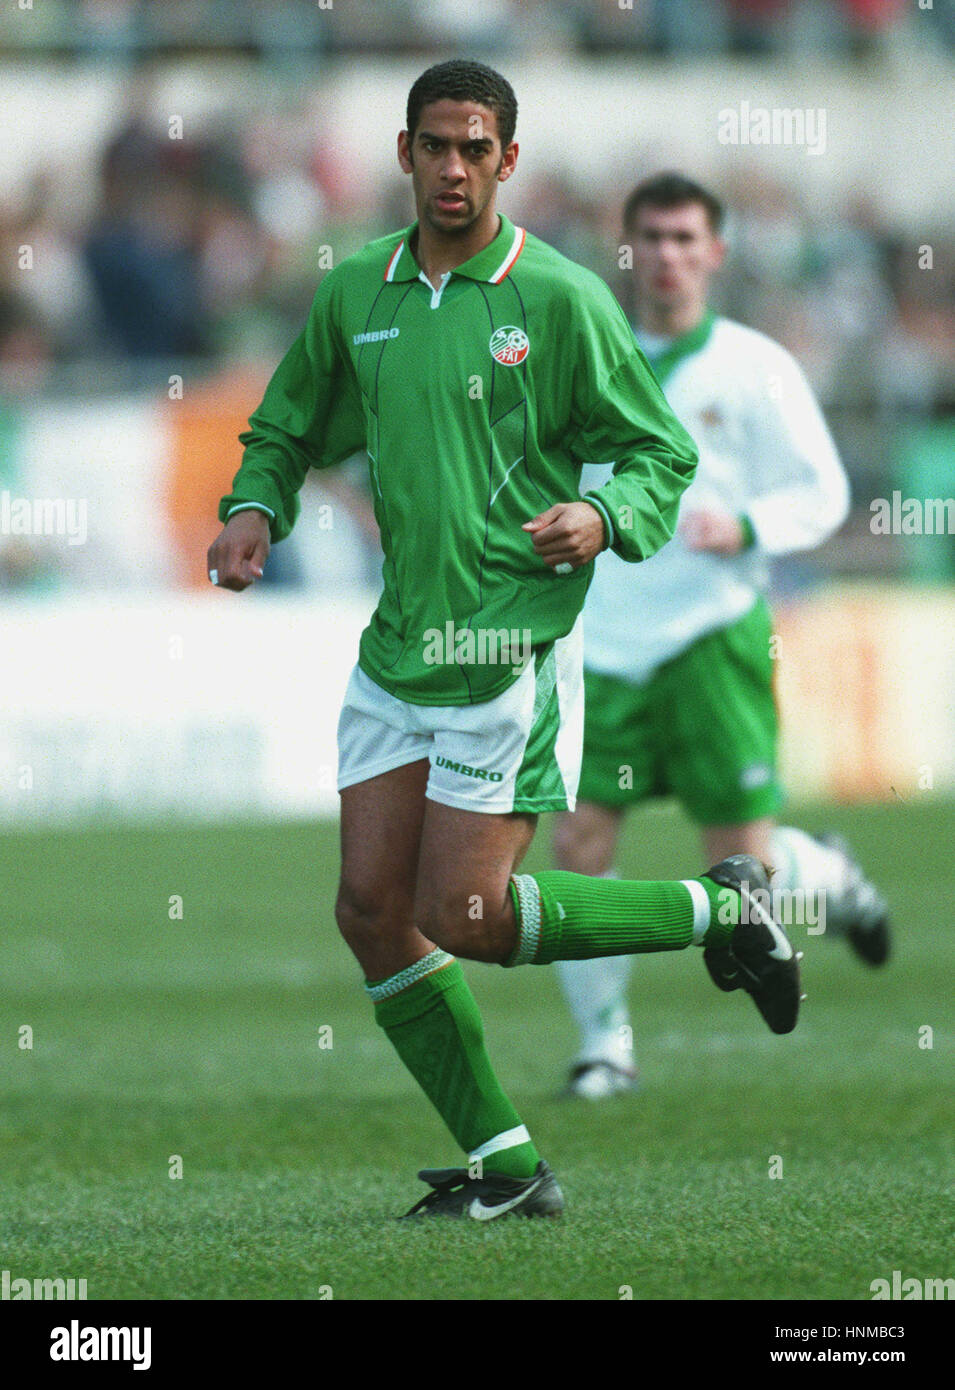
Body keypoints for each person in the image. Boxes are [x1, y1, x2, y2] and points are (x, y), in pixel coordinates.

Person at [207, 64, 801, 1221]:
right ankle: (509, 1166)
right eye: (433, 145)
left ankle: (723, 909)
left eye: (474, 148)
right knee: (369, 910)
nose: (451, 167)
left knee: (466, 916)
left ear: (507, 161)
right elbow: (284, 424)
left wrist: (605, 515)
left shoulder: (561, 299)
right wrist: (251, 508)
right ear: (403, 151)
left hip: (507, 654)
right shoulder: (354, 297)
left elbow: (657, 452)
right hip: (397, 653)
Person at [554, 173, 889, 1101]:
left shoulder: (754, 367)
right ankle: (603, 1046)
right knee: (577, 846)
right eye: (649, 237)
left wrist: (744, 527)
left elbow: (820, 491)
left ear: (715, 253)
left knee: (744, 872)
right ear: (626, 251)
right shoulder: (581, 357)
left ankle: (830, 871)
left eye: (682, 238)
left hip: (711, 637)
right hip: (601, 646)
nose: (665, 255)